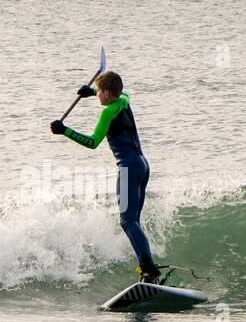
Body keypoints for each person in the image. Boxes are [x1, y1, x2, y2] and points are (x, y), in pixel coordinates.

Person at [50, 71, 162, 284]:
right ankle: (149, 268)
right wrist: (91, 91)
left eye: (100, 93)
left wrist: (65, 131)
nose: (98, 97)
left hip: (128, 168)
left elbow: (93, 142)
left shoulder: (108, 112)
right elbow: (124, 92)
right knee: (133, 221)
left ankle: (149, 271)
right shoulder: (123, 101)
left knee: (127, 221)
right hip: (143, 165)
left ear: (108, 93)